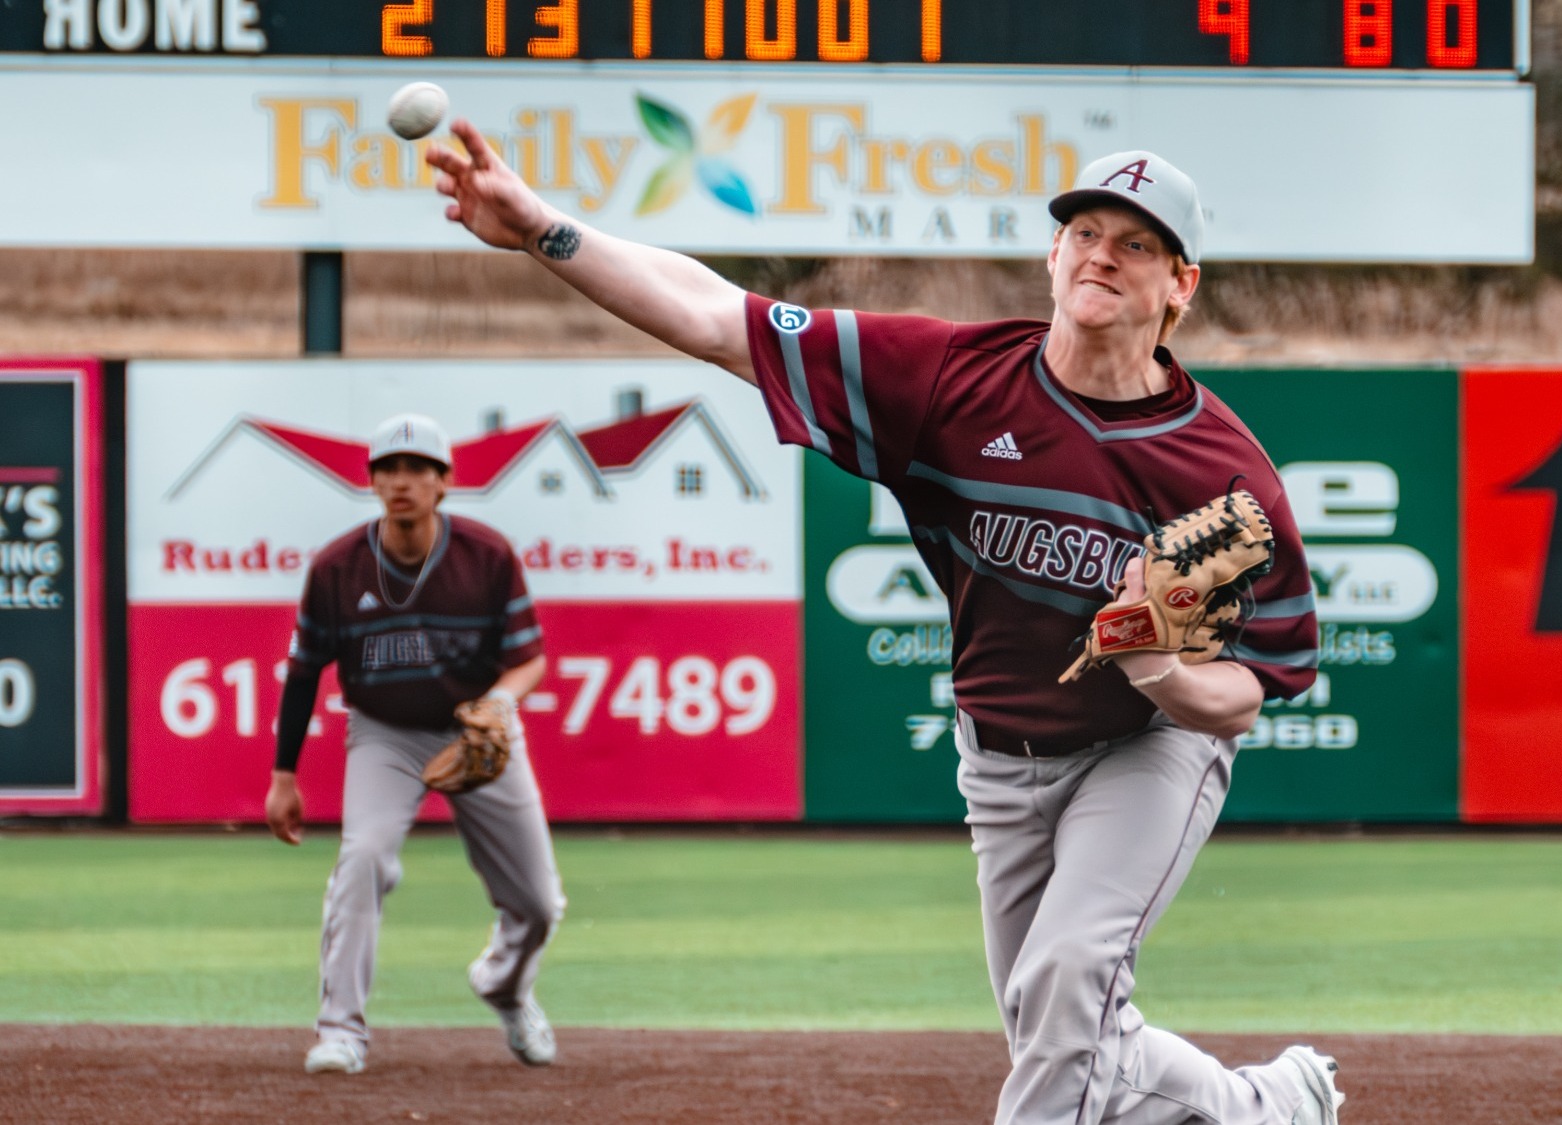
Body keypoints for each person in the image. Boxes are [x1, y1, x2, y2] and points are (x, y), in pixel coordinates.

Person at [427, 122, 1340, 1124]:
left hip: (1145, 749)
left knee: (1070, 978)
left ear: (1180, 285)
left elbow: (1246, 693)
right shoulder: (946, 379)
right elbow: (715, 317)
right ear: (1051, 254)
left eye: (1135, 243)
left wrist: (1160, 669)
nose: (1100, 255)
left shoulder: (1221, 474)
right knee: (1060, 1025)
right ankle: (1266, 1108)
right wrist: (543, 229)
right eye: (1083, 230)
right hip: (999, 755)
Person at [265, 413, 566, 1076]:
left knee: (540, 902)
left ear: (444, 482)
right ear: (372, 481)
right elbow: (304, 669)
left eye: (418, 468)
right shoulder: (337, 567)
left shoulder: (486, 554)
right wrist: (283, 774)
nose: (402, 480)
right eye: (388, 468)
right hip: (385, 732)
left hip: (479, 725)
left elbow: (530, 659)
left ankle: (505, 985)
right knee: (363, 856)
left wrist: (499, 702)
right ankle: (340, 1030)